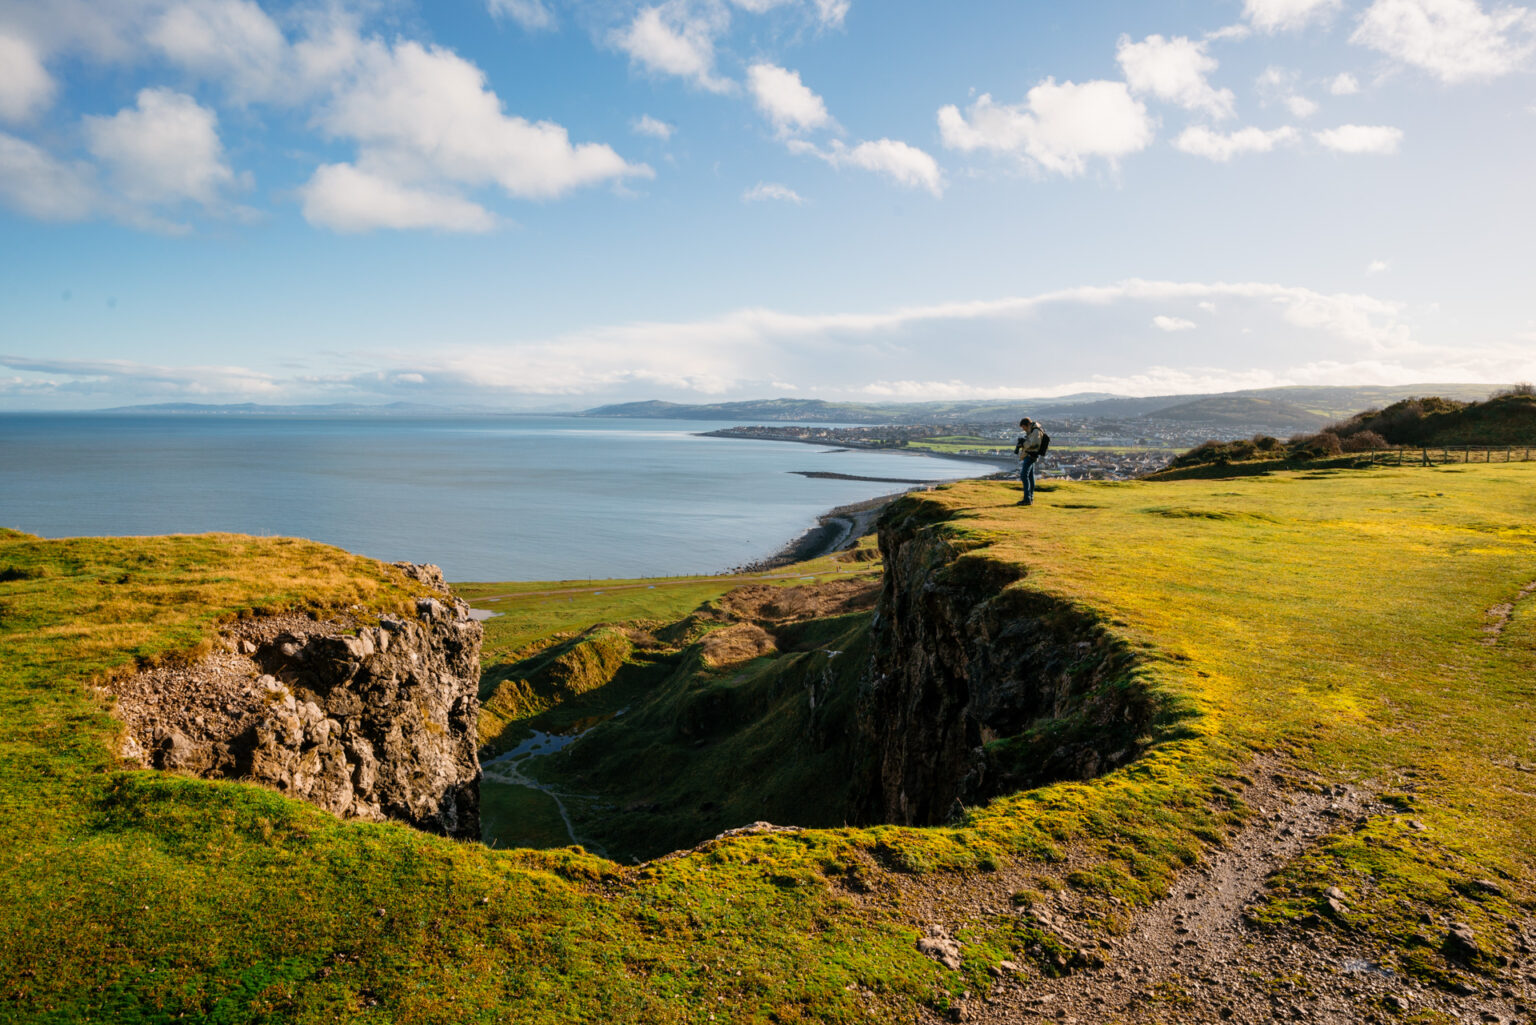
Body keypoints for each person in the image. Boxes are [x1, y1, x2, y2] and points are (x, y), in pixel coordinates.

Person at [1014, 417, 1044, 506]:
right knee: (1030, 477)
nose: (1023, 429)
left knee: (1024, 476)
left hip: (1030, 455)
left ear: (1027, 425)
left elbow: (1033, 444)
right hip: (1031, 455)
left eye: (1023, 427)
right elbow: (1031, 442)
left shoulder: (1035, 431)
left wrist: (1023, 443)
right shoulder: (1033, 430)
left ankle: (1027, 499)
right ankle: (1030, 498)